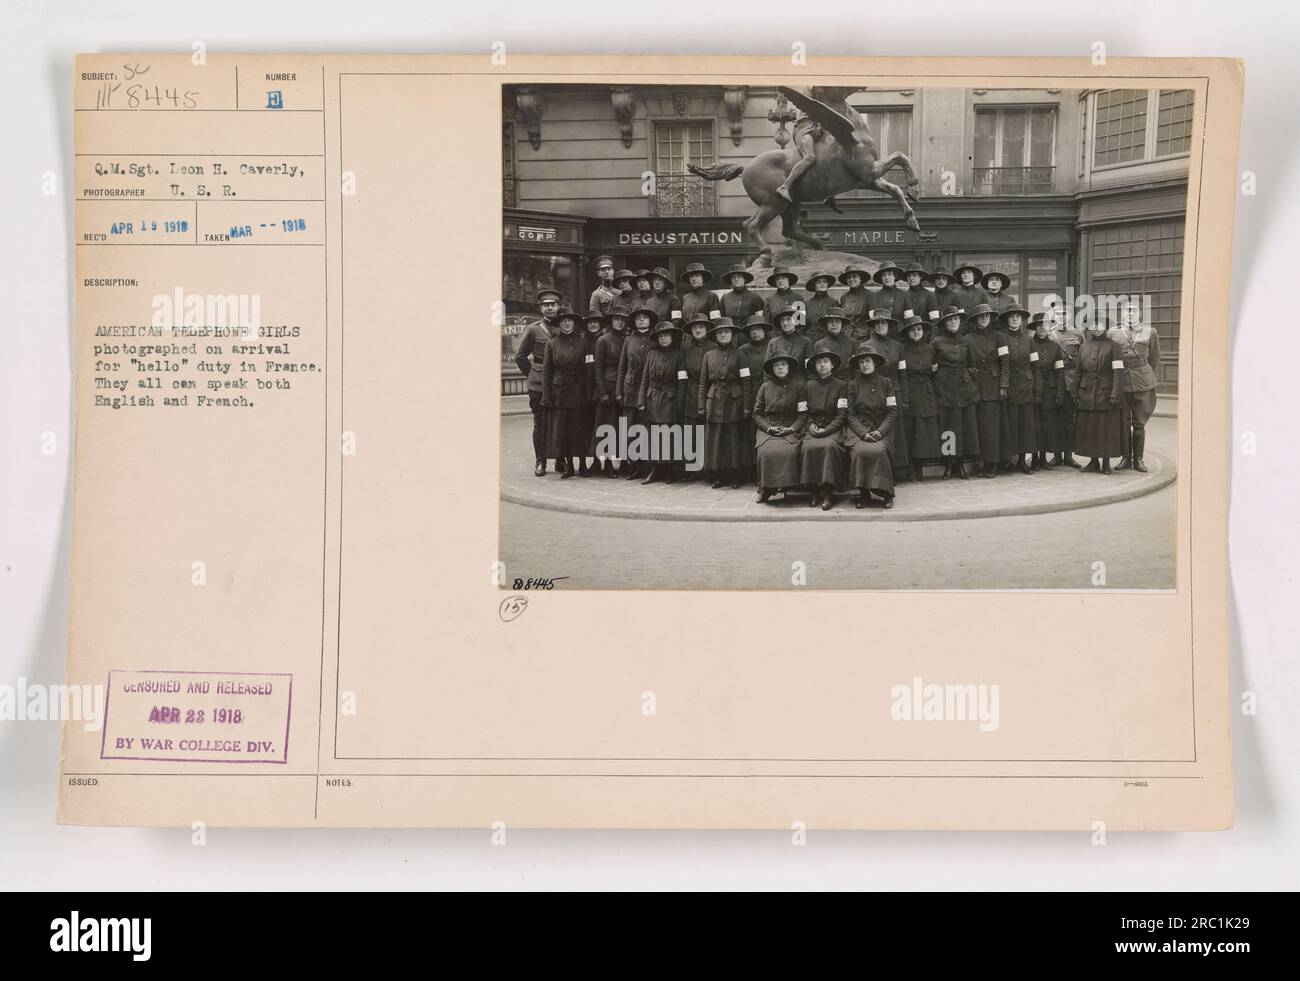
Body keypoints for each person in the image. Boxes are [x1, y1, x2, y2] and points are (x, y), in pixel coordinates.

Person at [698, 318, 752, 489]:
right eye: (720, 333)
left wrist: (747, 405)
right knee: (717, 439)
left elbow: (746, 382)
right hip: (714, 400)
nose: (723, 335)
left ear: (732, 335)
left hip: (734, 401)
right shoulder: (709, 356)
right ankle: (719, 475)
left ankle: (736, 475)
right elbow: (703, 382)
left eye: (726, 332)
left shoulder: (740, 354)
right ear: (715, 336)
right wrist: (701, 405)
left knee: (733, 438)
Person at [514, 286, 561, 476]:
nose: (550, 308)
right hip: (539, 383)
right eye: (546, 305)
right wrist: (533, 373)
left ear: (559, 306)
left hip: (559, 381)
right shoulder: (533, 329)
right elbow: (520, 357)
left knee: (560, 423)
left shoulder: (564, 326)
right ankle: (540, 461)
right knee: (540, 423)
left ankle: (561, 459)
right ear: (540, 308)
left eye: (553, 305)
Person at [843, 346, 898, 509]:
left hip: (882, 430)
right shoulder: (852, 385)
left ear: (874, 362)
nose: (865, 365)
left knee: (879, 451)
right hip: (860, 431)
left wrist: (880, 431)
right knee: (859, 451)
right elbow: (850, 414)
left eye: (868, 361)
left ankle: (887, 493)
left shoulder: (886, 383)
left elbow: (892, 411)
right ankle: (864, 494)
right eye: (861, 362)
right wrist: (863, 433)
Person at [1113, 301, 1163, 472]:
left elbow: (1155, 357)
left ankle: (1138, 460)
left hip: (1143, 382)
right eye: (1127, 311)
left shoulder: (1150, 332)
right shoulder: (1114, 333)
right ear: (1122, 314)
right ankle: (1125, 458)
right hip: (1122, 383)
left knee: (1140, 423)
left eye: (1134, 311)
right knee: (1124, 422)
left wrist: (1147, 375)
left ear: (1140, 314)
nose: (1130, 314)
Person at [931, 305, 980, 479]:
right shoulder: (936, 342)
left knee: (963, 428)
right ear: (944, 323)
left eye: (956, 319)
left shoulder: (966, 341)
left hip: (964, 389)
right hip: (944, 389)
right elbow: (932, 366)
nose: (953, 322)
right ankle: (948, 465)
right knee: (948, 428)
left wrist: (968, 382)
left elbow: (972, 365)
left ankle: (961, 464)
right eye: (949, 319)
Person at [1072, 314, 1125, 474]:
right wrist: (1074, 392)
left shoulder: (1114, 346)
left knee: (1105, 428)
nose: (1095, 327)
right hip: (1087, 393)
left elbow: (1118, 372)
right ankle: (1093, 461)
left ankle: (1106, 461)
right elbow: (1078, 371)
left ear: (1104, 327)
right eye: (1092, 324)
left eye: (1098, 324)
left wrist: (1115, 394)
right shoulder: (1084, 346)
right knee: (1089, 428)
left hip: (1106, 392)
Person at [636, 321, 688, 485]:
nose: (664, 338)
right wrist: (641, 400)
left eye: (667, 335)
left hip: (669, 399)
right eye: (661, 335)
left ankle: (670, 470)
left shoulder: (679, 355)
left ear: (672, 337)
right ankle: (654, 469)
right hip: (653, 399)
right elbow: (645, 378)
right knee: (653, 435)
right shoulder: (651, 354)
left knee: (669, 434)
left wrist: (680, 404)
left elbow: (682, 382)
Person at [541, 309, 590, 478]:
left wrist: (588, 392)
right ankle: (569, 466)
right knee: (564, 431)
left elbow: (588, 369)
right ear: (559, 324)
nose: (567, 323)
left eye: (570, 320)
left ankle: (583, 465)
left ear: (574, 323)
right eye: (563, 321)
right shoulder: (552, 344)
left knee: (580, 429)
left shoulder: (583, 343)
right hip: (560, 393)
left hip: (579, 392)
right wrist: (546, 395)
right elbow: (547, 371)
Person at [752, 353, 808, 503]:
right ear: (772, 369)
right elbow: (757, 414)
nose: (780, 368)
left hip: (791, 427)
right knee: (765, 452)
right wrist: (768, 428)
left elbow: (803, 415)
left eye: (783, 364)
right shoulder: (765, 387)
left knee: (789, 451)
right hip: (769, 427)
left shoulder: (799, 386)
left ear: (789, 367)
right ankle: (766, 489)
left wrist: (792, 429)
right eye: (776, 365)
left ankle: (787, 486)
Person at [800, 345, 850, 510]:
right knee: (808, 447)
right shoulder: (808, 386)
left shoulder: (841, 385)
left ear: (832, 365)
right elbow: (803, 411)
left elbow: (842, 414)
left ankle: (829, 492)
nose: (822, 365)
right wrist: (810, 425)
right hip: (813, 427)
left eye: (825, 361)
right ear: (814, 366)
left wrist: (827, 430)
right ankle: (813, 490)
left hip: (833, 428)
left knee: (828, 446)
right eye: (819, 362)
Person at [965, 303, 1011, 478]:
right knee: (980, 428)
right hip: (975, 387)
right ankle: (982, 462)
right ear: (975, 319)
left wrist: (1004, 385)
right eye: (980, 316)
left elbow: (1005, 364)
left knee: (992, 428)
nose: (984, 319)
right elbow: (966, 364)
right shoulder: (968, 339)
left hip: (994, 387)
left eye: (987, 316)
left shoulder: (999, 337)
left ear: (991, 318)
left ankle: (992, 463)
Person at [865, 309, 910, 479]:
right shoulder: (867, 346)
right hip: (875, 393)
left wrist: (905, 398)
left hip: (895, 391)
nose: (880, 326)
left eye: (883, 323)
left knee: (895, 430)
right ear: (873, 326)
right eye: (877, 323)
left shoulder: (898, 346)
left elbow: (902, 373)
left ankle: (897, 470)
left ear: (889, 325)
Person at [615, 305, 657, 479]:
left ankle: (648, 465)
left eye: (645, 317)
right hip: (631, 388)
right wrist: (619, 390)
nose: (641, 320)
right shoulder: (629, 339)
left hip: (649, 388)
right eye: (638, 317)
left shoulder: (655, 339)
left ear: (650, 321)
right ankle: (634, 466)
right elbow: (622, 367)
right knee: (631, 428)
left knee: (647, 426)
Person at [998, 301, 1041, 474]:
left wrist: (1038, 389)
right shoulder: (1001, 338)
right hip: (1010, 387)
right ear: (1007, 320)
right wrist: (1004, 386)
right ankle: (1011, 460)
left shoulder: (1029, 341)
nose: (1015, 319)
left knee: (1026, 426)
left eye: (1018, 317)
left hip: (1027, 387)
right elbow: (1004, 364)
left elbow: (1036, 367)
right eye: (1012, 317)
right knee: (1011, 424)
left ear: (1022, 320)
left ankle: (1024, 461)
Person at [898, 314, 941, 481]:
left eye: (919, 329)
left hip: (927, 393)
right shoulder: (903, 349)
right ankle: (910, 469)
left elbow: (935, 370)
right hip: (911, 391)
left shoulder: (930, 349)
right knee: (911, 430)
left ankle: (920, 466)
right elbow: (902, 373)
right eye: (913, 330)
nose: (916, 332)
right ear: (907, 332)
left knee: (924, 432)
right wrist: (905, 397)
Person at [591, 309, 627, 476]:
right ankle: (605, 464)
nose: (620, 322)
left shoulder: (627, 339)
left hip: (622, 388)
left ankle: (620, 461)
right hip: (607, 388)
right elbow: (597, 367)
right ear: (611, 321)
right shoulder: (603, 340)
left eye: (623, 320)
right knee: (606, 427)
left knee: (620, 427)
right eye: (617, 319)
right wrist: (603, 391)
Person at [679, 313, 715, 482]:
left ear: (707, 329)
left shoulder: (715, 347)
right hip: (691, 393)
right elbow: (682, 376)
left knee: (709, 432)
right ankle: (692, 468)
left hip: (712, 394)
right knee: (692, 432)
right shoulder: (686, 351)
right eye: (695, 327)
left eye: (701, 327)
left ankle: (709, 469)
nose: (698, 330)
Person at [1029, 312, 1066, 472]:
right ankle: (1034, 458)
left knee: (1047, 426)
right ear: (1035, 328)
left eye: (1045, 326)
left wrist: (1059, 391)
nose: (1042, 329)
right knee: (1034, 425)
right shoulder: (1029, 344)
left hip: (1050, 391)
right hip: (1033, 390)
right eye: (1039, 326)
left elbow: (1059, 371)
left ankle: (1043, 458)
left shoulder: (1055, 347)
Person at [736, 314, 771, 484]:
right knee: (750, 434)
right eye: (752, 330)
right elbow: (745, 378)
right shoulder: (743, 350)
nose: (756, 333)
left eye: (758, 329)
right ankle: (752, 472)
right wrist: (747, 403)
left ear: (764, 330)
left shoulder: (772, 346)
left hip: (771, 392)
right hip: (752, 391)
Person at [1050, 301, 1083, 468]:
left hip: (1071, 381)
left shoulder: (1078, 334)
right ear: (1053, 315)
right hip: (1055, 382)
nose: (1061, 317)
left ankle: (1068, 455)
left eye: (1064, 313)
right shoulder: (1048, 335)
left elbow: (1084, 358)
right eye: (1058, 313)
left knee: (1070, 419)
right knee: (1055, 420)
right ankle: (1056, 455)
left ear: (1070, 315)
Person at [578, 311, 608, 476]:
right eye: (590, 322)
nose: (593, 325)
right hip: (584, 391)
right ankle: (592, 461)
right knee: (587, 428)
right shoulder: (583, 343)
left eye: (596, 322)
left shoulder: (604, 340)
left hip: (600, 390)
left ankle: (604, 461)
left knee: (602, 426)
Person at [775, 112, 824, 203]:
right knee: (810, 157)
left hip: (813, 133)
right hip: (804, 132)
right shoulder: (813, 102)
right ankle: (785, 186)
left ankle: (829, 194)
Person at [766, 306, 815, 374]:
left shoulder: (806, 342)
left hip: (800, 381)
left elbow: (810, 368)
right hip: (778, 382)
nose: (785, 323)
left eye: (788, 319)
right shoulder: (773, 343)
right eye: (782, 320)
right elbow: (768, 368)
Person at [815, 306, 855, 380]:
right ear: (826, 324)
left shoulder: (852, 342)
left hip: (848, 383)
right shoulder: (820, 344)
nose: (834, 324)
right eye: (831, 321)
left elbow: (856, 368)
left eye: (837, 321)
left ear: (842, 324)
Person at [838, 263, 874, 339]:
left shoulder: (870, 295)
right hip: (847, 338)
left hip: (864, 338)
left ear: (860, 278)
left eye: (854, 276)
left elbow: (874, 321)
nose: (851, 279)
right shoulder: (844, 298)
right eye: (848, 277)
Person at [950, 263, 987, 328]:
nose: (966, 275)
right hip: (961, 330)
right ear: (960, 276)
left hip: (978, 329)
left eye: (969, 272)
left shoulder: (981, 293)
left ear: (974, 275)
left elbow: (986, 312)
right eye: (963, 273)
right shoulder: (954, 293)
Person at [872, 261, 909, 326]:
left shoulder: (904, 295)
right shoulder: (875, 296)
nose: (887, 278)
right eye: (884, 275)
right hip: (882, 333)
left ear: (895, 276)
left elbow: (909, 319)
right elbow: (873, 320)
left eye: (889, 274)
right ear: (881, 278)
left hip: (900, 332)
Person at [803, 272, 839, 339]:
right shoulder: (807, 304)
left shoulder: (834, 303)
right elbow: (802, 326)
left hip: (827, 338)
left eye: (824, 282)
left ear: (827, 284)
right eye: (819, 282)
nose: (822, 284)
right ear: (814, 285)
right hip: (809, 338)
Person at [901, 262, 937, 327]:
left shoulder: (929, 295)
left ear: (921, 277)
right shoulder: (903, 295)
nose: (911, 278)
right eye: (909, 276)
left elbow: (935, 320)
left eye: (914, 275)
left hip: (925, 331)